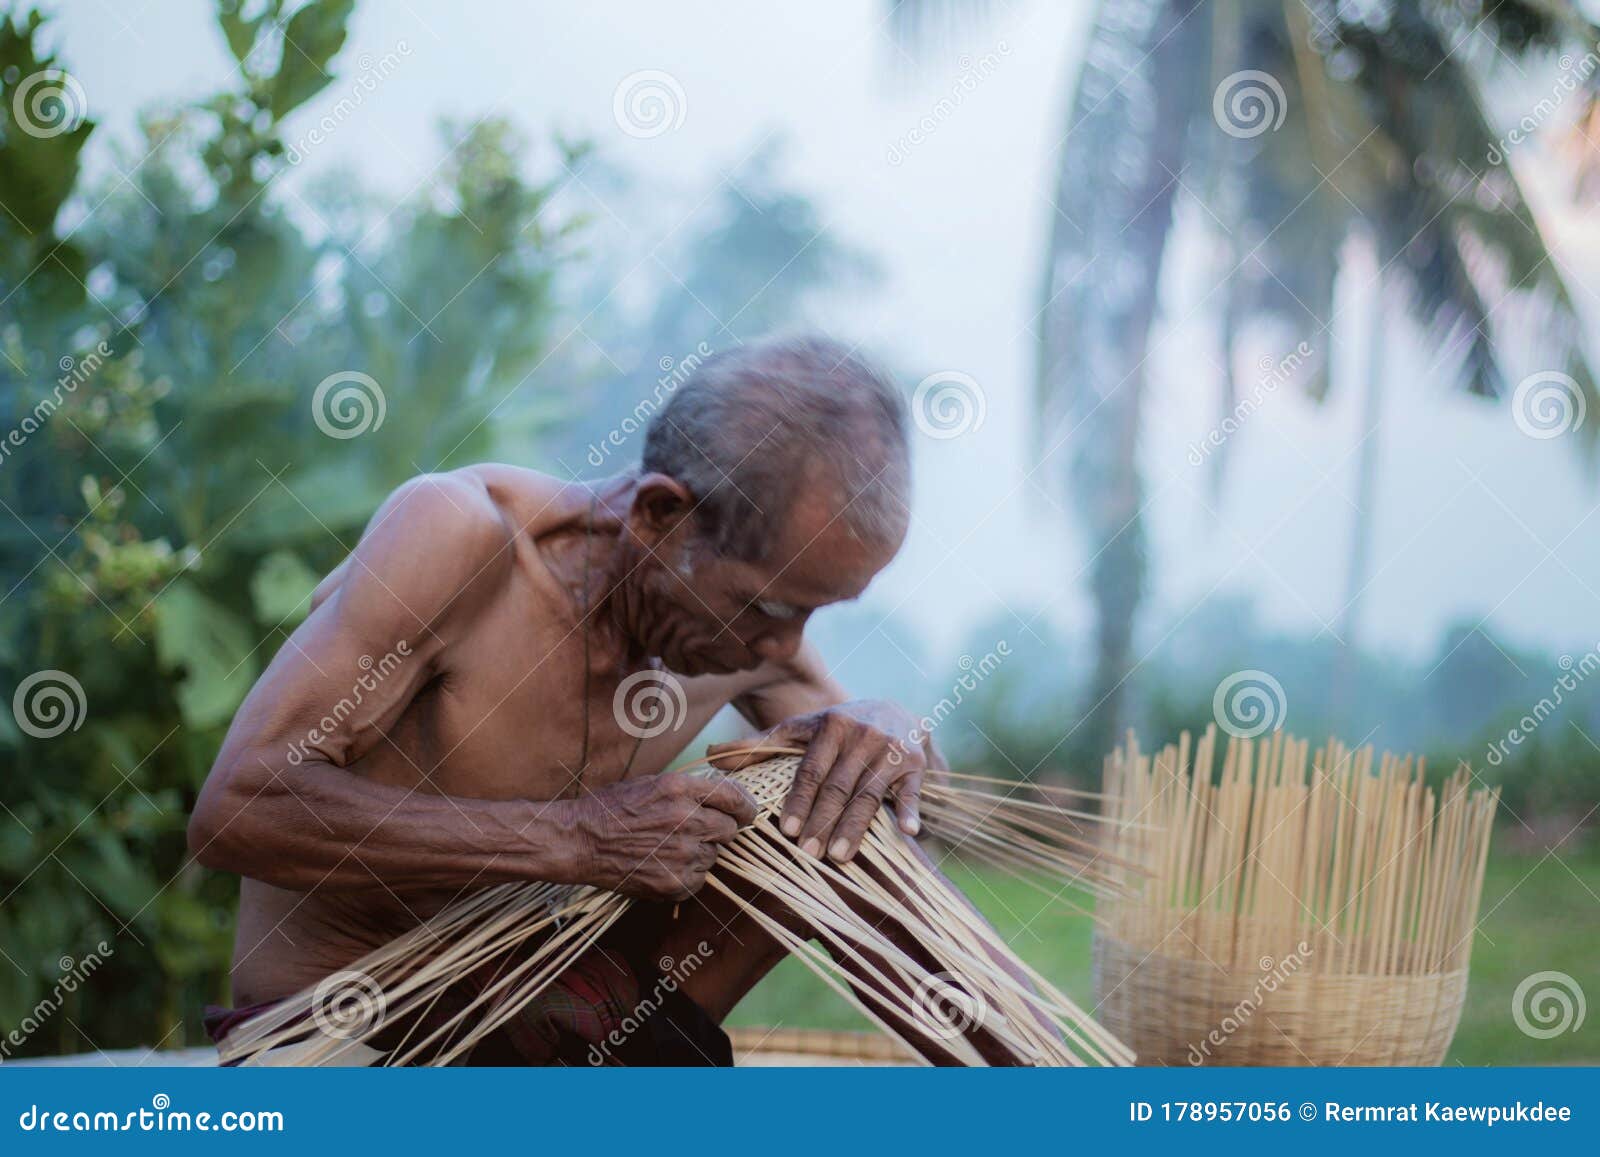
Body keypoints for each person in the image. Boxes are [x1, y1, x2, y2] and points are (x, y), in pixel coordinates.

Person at [189, 336, 985, 1065]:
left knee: (837, 796)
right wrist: (576, 837)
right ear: (661, 517)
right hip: (354, 1040)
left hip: (568, 1036)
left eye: (816, 612)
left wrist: (891, 731)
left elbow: (904, 829)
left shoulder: (746, 632)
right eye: (770, 606)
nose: (785, 647)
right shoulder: (460, 541)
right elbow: (237, 810)